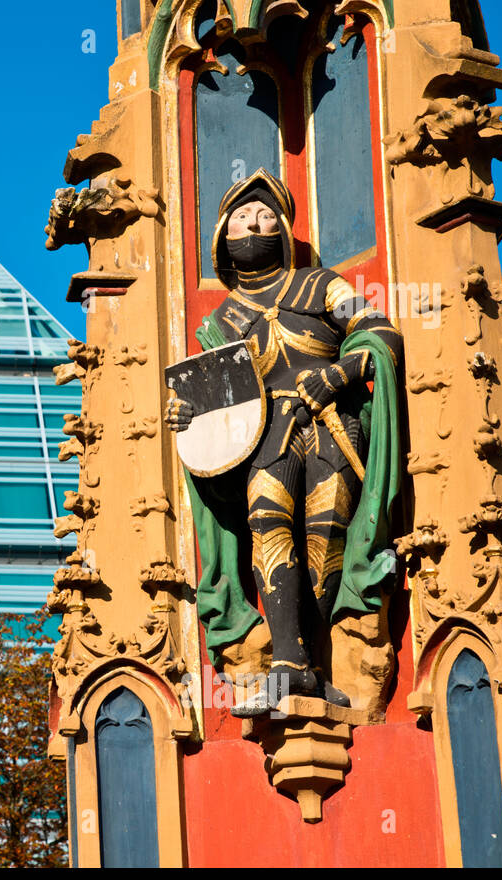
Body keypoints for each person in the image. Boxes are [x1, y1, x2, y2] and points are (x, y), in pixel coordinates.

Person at [165, 169, 402, 713]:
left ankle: (317, 663)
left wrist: (339, 375)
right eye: (244, 217)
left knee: (325, 531)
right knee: (268, 526)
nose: (255, 222)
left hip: (331, 427)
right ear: (224, 234)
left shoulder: (321, 286)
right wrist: (188, 415)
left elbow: (379, 330)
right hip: (265, 437)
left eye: (267, 215)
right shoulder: (223, 322)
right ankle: (289, 663)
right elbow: (215, 406)